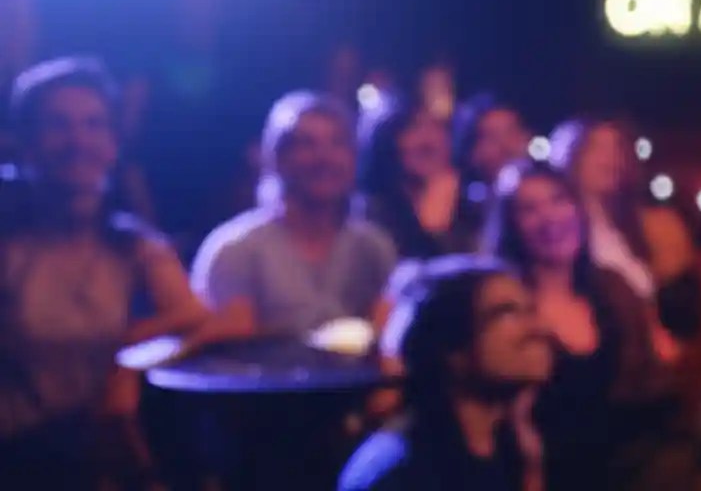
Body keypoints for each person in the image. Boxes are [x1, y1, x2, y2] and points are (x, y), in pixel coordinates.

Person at [0, 58, 210, 489]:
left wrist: (126, 359)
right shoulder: (10, 247)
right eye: (58, 125)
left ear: (113, 144)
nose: (79, 140)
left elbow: (206, 320)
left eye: (94, 125)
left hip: (101, 466)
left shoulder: (131, 246)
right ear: (25, 142)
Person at [481, 161, 681, 491]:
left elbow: (655, 395)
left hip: (633, 470)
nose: (550, 218)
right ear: (511, 225)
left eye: (559, 200)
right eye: (529, 209)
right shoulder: (506, 312)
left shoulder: (613, 289)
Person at [191, 91, 398, 339]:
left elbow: (389, 333)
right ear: (277, 158)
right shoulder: (236, 249)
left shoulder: (373, 246)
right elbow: (227, 344)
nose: (325, 158)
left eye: (338, 144)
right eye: (307, 144)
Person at [548, 117, 701, 403]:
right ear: (572, 154)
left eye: (617, 148)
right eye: (598, 148)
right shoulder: (566, 231)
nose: (611, 158)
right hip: (608, 371)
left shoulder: (629, 227)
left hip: (652, 365)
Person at [339, 255, 551, 491]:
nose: (537, 328)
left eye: (529, 311)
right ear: (451, 347)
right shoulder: (400, 471)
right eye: (506, 313)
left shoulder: (511, 447)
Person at [359, 98, 464, 259]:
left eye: (437, 128)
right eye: (414, 129)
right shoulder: (369, 215)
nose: (430, 141)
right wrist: (434, 228)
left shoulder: (469, 206)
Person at [453, 93, 532, 250]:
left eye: (512, 132)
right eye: (491, 137)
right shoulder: (461, 212)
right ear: (473, 152)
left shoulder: (558, 191)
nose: (506, 145)